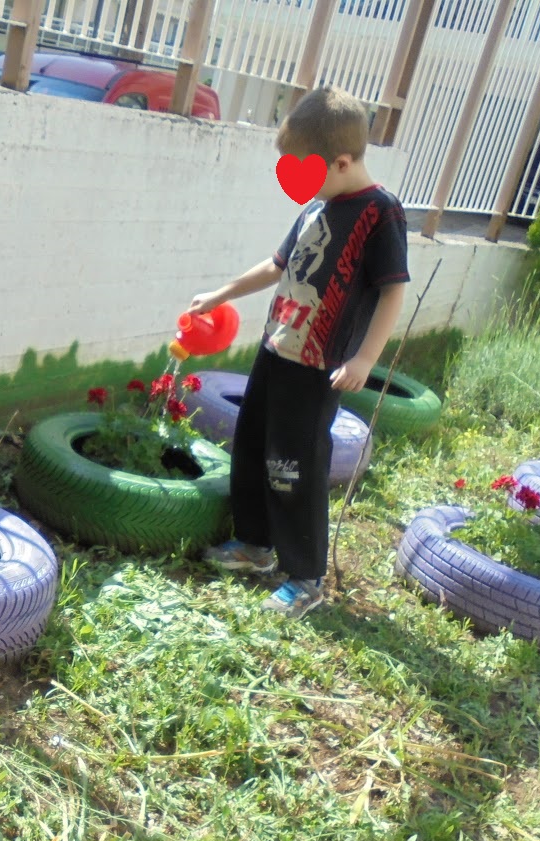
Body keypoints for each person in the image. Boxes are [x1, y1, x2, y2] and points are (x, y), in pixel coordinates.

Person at [187, 86, 409, 619]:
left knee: (295, 465)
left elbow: (393, 290)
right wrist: (219, 294)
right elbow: (277, 266)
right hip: (277, 349)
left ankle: (305, 575)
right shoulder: (318, 203)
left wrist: (364, 360)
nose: (300, 182)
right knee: (252, 445)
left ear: (343, 160)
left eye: (307, 169)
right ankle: (255, 546)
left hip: (319, 368)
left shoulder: (380, 214)